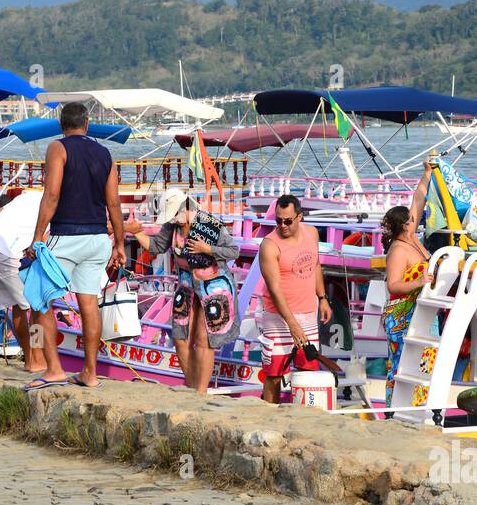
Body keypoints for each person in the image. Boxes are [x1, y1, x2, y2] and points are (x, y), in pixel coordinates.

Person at [24, 103, 126, 388]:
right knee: (89, 304)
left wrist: (37, 236)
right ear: (88, 123)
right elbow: (114, 203)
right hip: (97, 240)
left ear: (61, 124)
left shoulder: (57, 148)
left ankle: (51, 367)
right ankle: (90, 373)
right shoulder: (105, 154)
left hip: (66, 237)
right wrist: (119, 243)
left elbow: (52, 195)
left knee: (37, 300)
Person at [125, 190, 240, 393]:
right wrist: (136, 232)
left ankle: (200, 392)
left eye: (174, 215)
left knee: (204, 340)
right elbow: (156, 247)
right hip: (187, 286)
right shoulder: (172, 227)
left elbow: (233, 251)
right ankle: (191, 386)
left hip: (212, 288)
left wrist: (208, 249)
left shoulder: (209, 224)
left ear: (186, 207)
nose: (172, 220)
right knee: (180, 338)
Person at [257, 194, 332, 404]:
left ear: (300, 217)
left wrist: (323, 297)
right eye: (278, 220)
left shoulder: (312, 234)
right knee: (274, 374)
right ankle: (270, 418)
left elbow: (315, 265)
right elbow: (274, 289)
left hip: (308, 313)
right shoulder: (270, 245)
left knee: (307, 369)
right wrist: (292, 324)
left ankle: (302, 417)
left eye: (288, 220)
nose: (283, 225)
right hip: (277, 317)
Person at [0, 190, 45, 373]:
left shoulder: (28, 195)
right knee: (37, 305)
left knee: (18, 305)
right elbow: (45, 241)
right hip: (4, 248)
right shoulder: (54, 202)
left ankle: (30, 359)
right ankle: (36, 359)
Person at [381, 201, 434, 390]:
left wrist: (428, 175)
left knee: (425, 364)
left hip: (421, 311)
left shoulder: (412, 241)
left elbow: (417, 203)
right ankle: (394, 410)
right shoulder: (398, 250)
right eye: (412, 219)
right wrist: (418, 282)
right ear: (406, 224)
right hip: (402, 315)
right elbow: (393, 286)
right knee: (400, 366)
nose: (415, 219)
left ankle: (420, 408)